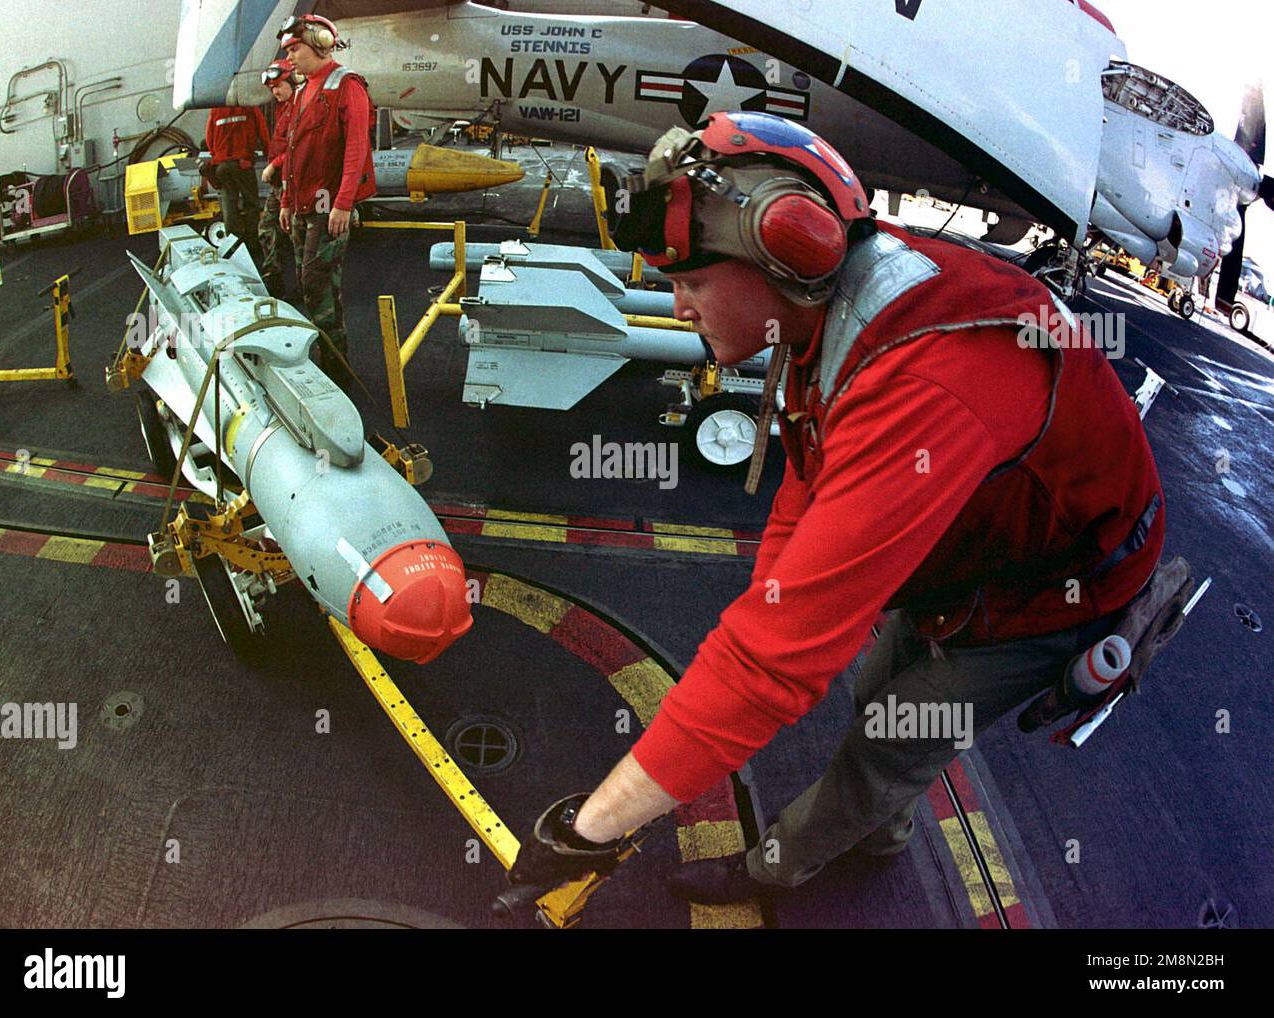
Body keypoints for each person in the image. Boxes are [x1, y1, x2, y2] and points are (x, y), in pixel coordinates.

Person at [507, 111, 1167, 904]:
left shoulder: (928, 380)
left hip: (1048, 599)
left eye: (689, 283)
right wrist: (771, 612)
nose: (679, 308)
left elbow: (772, 664)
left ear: (785, 256)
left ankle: (773, 868)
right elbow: (807, 489)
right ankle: (878, 824)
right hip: (971, 549)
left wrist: (591, 831)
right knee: (874, 694)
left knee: (892, 743)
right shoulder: (837, 305)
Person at [276, 13, 376, 391]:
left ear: (320, 42)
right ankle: (333, 366)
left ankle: (337, 375)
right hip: (302, 207)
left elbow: (356, 148)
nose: (290, 59)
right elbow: (292, 149)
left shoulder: (346, 85)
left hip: (328, 208)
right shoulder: (303, 90)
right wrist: (286, 201)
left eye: (295, 49)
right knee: (315, 286)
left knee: (316, 284)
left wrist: (344, 204)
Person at [205, 101, 269, 270]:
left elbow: (209, 139)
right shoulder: (249, 106)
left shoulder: (215, 108)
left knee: (229, 206)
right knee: (251, 204)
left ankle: (233, 246)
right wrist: (269, 155)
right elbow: (263, 132)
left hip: (221, 166)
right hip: (242, 164)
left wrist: (217, 156)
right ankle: (252, 245)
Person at [258, 58, 301, 300]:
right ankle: (272, 278)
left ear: (291, 82)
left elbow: (298, 147)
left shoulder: (299, 108)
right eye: (272, 88)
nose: (275, 92)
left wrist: (274, 165)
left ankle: (305, 284)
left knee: (298, 235)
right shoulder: (283, 108)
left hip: (291, 183)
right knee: (266, 228)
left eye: (278, 86)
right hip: (278, 183)